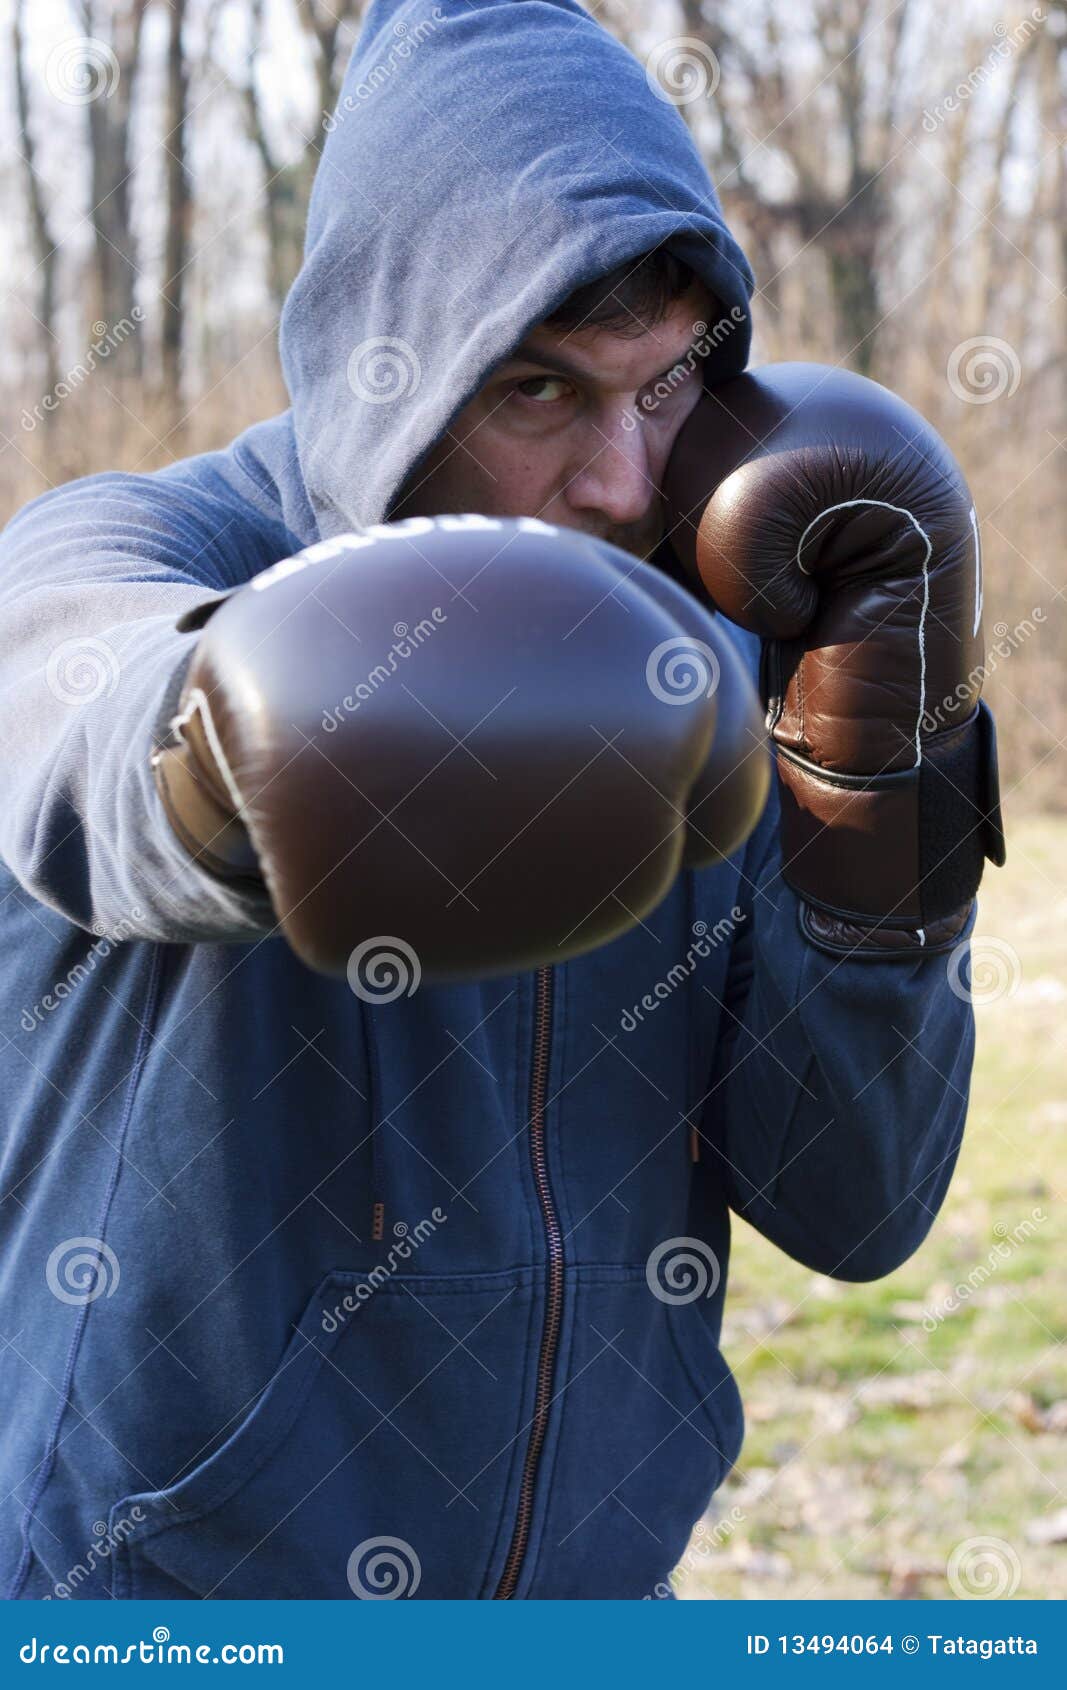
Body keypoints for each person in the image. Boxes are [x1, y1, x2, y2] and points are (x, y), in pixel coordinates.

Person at [0, 0, 1000, 1601]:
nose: (619, 478)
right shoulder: (133, 557)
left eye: (667, 385)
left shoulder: (720, 640)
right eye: (538, 391)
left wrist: (881, 790)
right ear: (385, 364)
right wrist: (262, 734)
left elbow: (860, 1202)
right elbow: (75, 722)